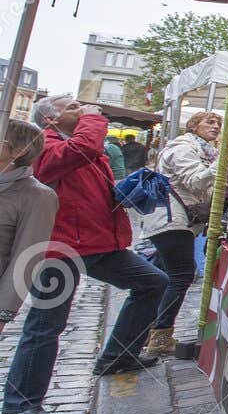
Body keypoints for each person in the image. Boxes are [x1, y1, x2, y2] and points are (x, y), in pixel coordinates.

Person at [6, 96, 168, 398]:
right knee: (46, 324)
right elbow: (80, 150)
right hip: (58, 247)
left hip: (94, 242)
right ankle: (21, 401)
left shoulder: (80, 145)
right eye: (72, 108)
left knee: (153, 281)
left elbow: (85, 176)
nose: (82, 111)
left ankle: (119, 356)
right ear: (50, 120)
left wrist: (126, 191)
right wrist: (93, 119)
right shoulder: (42, 146)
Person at [138, 110, 221, 357]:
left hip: (176, 221)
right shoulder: (184, 148)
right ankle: (160, 335)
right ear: (193, 126)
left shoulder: (202, 150)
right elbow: (196, 181)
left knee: (163, 276)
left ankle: (146, 331)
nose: (216, 126)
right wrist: (224, 160)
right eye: (210, 122)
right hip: (171, 221)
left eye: (219, 123)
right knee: (181, 275)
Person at [0, 121, 59, 414]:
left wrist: (3, 313)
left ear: (18, 150)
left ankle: (18, 404)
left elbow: (26, 258)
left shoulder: (38, 196)